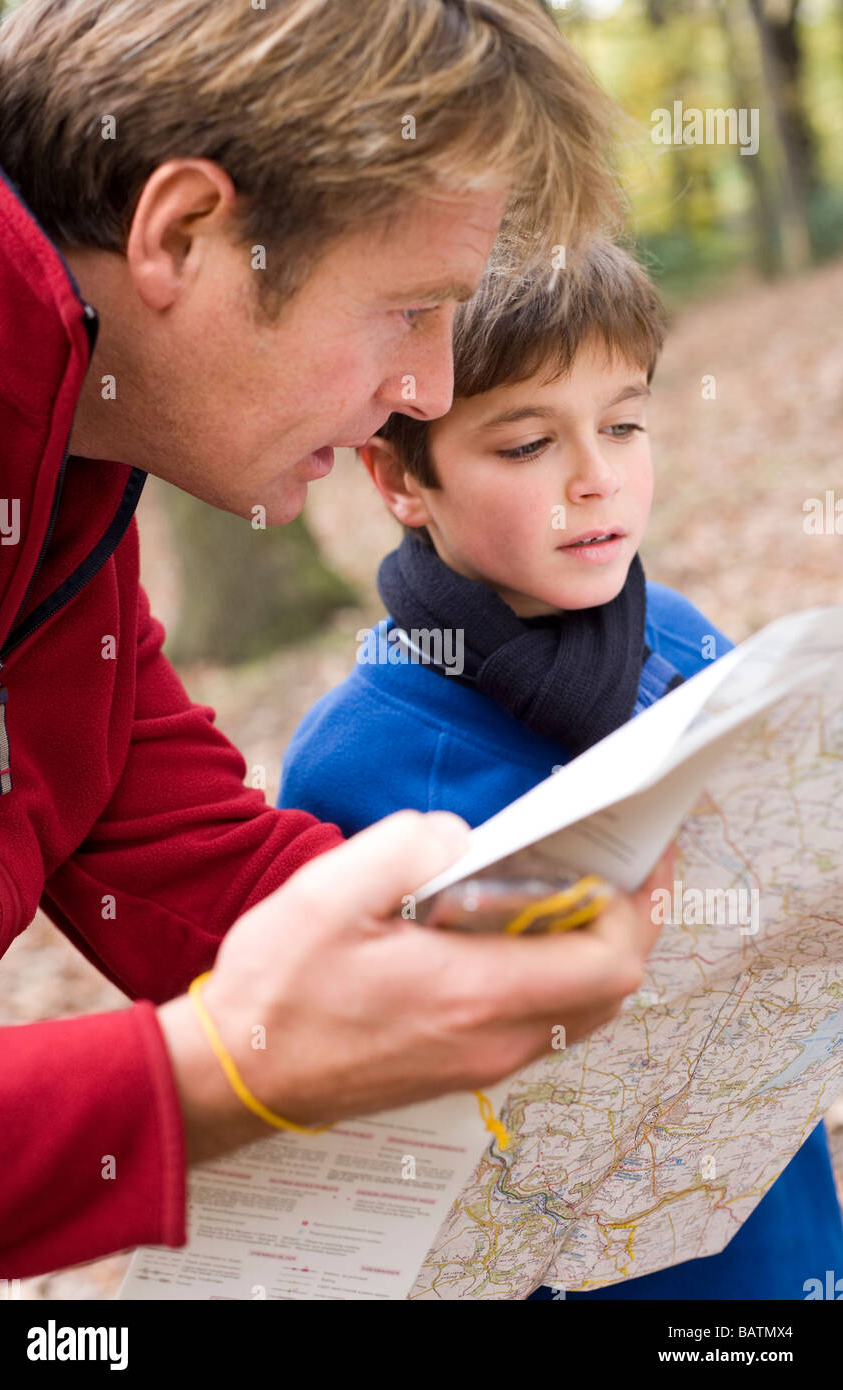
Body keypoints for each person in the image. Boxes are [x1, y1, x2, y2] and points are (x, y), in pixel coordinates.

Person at [0, 0, 668, 1282]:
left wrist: (496, 927)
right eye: (409, 309)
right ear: (184, 234)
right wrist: (221, 1073)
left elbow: (182, 856)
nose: (431, 389)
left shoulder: (66, 470)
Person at [275, 240, 843, 1299]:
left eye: (623, 424)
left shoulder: (682, 644)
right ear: (401, 476)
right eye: (529, 441)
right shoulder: (354, 761)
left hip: (769, 1233)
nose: (595, 476)